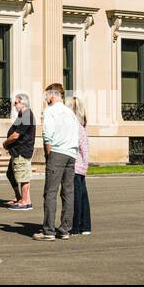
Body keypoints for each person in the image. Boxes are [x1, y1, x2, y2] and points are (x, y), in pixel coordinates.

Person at [35, 83, 79, 241]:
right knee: (68, 192)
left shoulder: (50, 111)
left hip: (58, 152)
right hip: (71, 154)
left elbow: (48, 136)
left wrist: (49, 155)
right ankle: (65, 229)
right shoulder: (71, 113)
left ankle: (48, 231)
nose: (45, 98)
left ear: (53, 95)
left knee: (50, 193)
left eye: (46, 95)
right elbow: (77, 134)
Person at [3, 93, 36, 211]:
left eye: (16, 103)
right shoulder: (22, 115)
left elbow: (16, 135)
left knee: (23, 176)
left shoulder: (27, 115)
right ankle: (19, 197)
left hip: (22, 151)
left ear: (22, 103)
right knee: (11, 174)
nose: (14, 105)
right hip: (16, 151)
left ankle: (26, 201)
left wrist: (6, 143)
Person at [67, 95, 92, 235]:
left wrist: (84, 163)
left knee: (76, 197)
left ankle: (76, 226)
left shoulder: (75, 127)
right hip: (81, 165)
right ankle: (85, 225)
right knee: (82, 196)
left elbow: (83, 148)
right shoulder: (81, 126)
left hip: (76, 165)